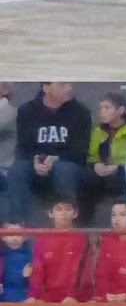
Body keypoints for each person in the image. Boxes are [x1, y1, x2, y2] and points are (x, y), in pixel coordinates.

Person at [21, 197, 92, 306]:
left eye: (68, 209)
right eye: (59, 209)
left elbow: (82, 270)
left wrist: (72, 295)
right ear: (51, 213)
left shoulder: (81, 238)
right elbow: (38, 270)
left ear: (75, 213)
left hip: (77, 294)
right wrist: (32, 295)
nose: (63, 214)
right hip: (50, 295)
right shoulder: (42, 239)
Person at [7, 83, 91, 228]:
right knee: (17, 171)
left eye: (69, 84)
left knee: (64, 170)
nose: (69, 88)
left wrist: (56, 158)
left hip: (67, 162)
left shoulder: (81, 111)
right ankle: (17, 225)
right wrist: (36, 161)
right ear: (46, 88)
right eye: (62, 84)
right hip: (35, 162)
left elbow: (80, 151)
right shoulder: (27, 111)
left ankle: (65, 223)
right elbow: (23, 147)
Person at [83, 92, 126, 223]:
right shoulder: (98, 131)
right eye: (101, 108)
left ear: (120, 110)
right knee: (85, 178)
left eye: (107, 108)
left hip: (123, 171)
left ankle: (125, 219)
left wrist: (118, 166)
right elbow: (91, 155)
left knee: (120, 178)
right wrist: (96, 164)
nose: (102, 112)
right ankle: (84, 224)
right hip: (102, 171)